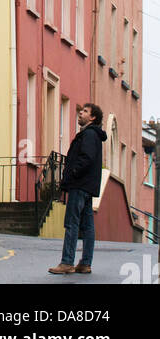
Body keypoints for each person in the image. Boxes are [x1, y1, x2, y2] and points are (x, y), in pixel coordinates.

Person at [48, 102, 106, 275]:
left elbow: (86, 158)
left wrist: (72, 173)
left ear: (93, 117)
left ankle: (67, 262)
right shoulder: (93, 135)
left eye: (85, 111)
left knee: (71, 223)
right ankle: (85, 263)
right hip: (88, 186)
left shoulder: (88, 134)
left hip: (80, 184)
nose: (80, 113)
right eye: (81, 111)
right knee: (87, 226)